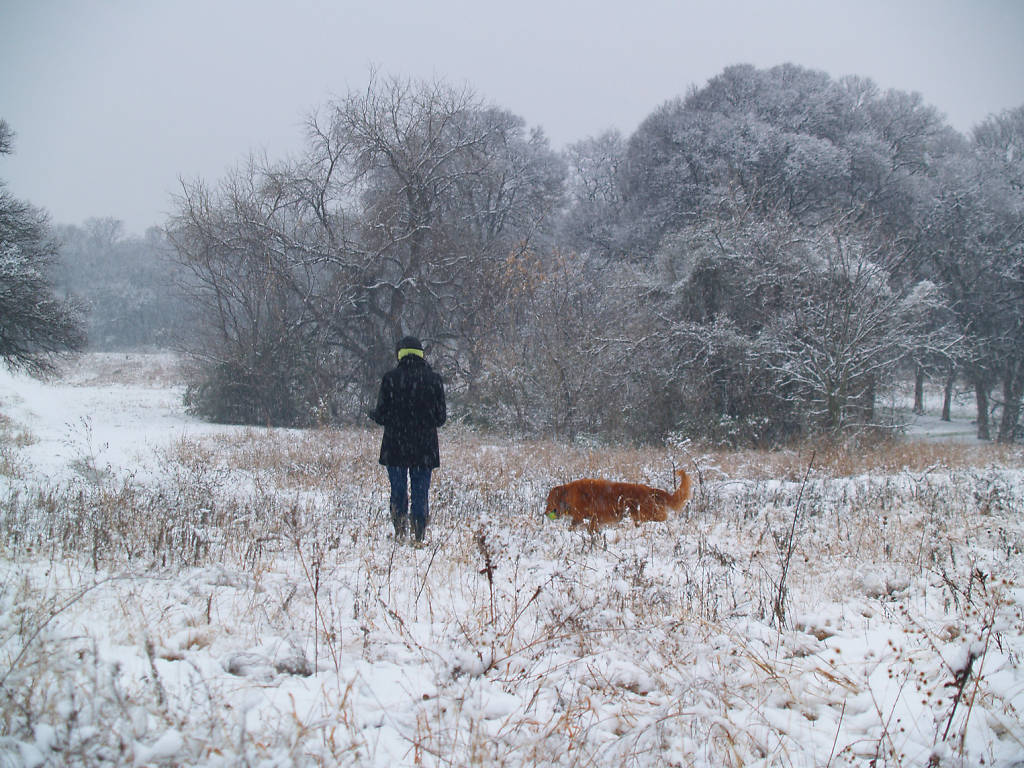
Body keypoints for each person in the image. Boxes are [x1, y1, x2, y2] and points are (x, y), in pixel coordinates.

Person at [369, 336, 446, 544]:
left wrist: (374, 414)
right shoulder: (434, 380)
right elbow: (440, 419)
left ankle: (400, 532)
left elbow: (382, 415)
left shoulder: (390, 378)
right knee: (421, 492)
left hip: (396, 446)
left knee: (398, 490)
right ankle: (419, 535)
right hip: (425, 448)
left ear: (400, 353)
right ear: (421, 354)